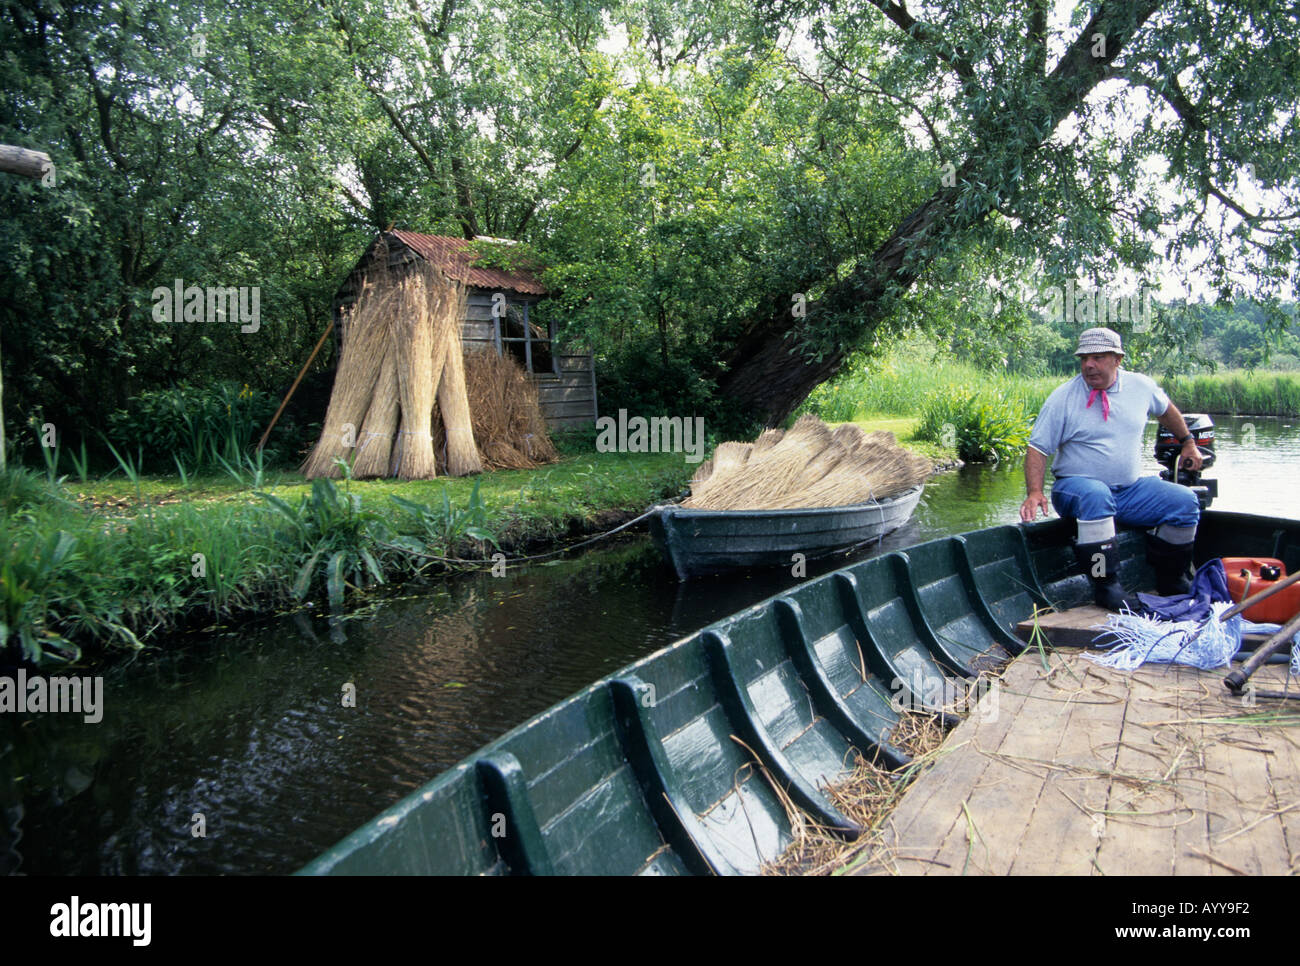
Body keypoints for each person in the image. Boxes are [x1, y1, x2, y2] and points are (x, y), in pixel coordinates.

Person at [1019, 326, 1204, 610]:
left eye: (1098, 357)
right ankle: (1105, 585)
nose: (1089, 365)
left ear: (1117, 359)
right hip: (1076, 488)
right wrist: (1034, 492)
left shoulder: (1140, 387)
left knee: (1184, 502)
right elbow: (1038, 448)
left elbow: (1166, 410)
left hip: (1129, 490)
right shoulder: (1063, 397)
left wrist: (1188, 442)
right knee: (1096, 495)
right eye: (1084, 359)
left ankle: (1172, 579)